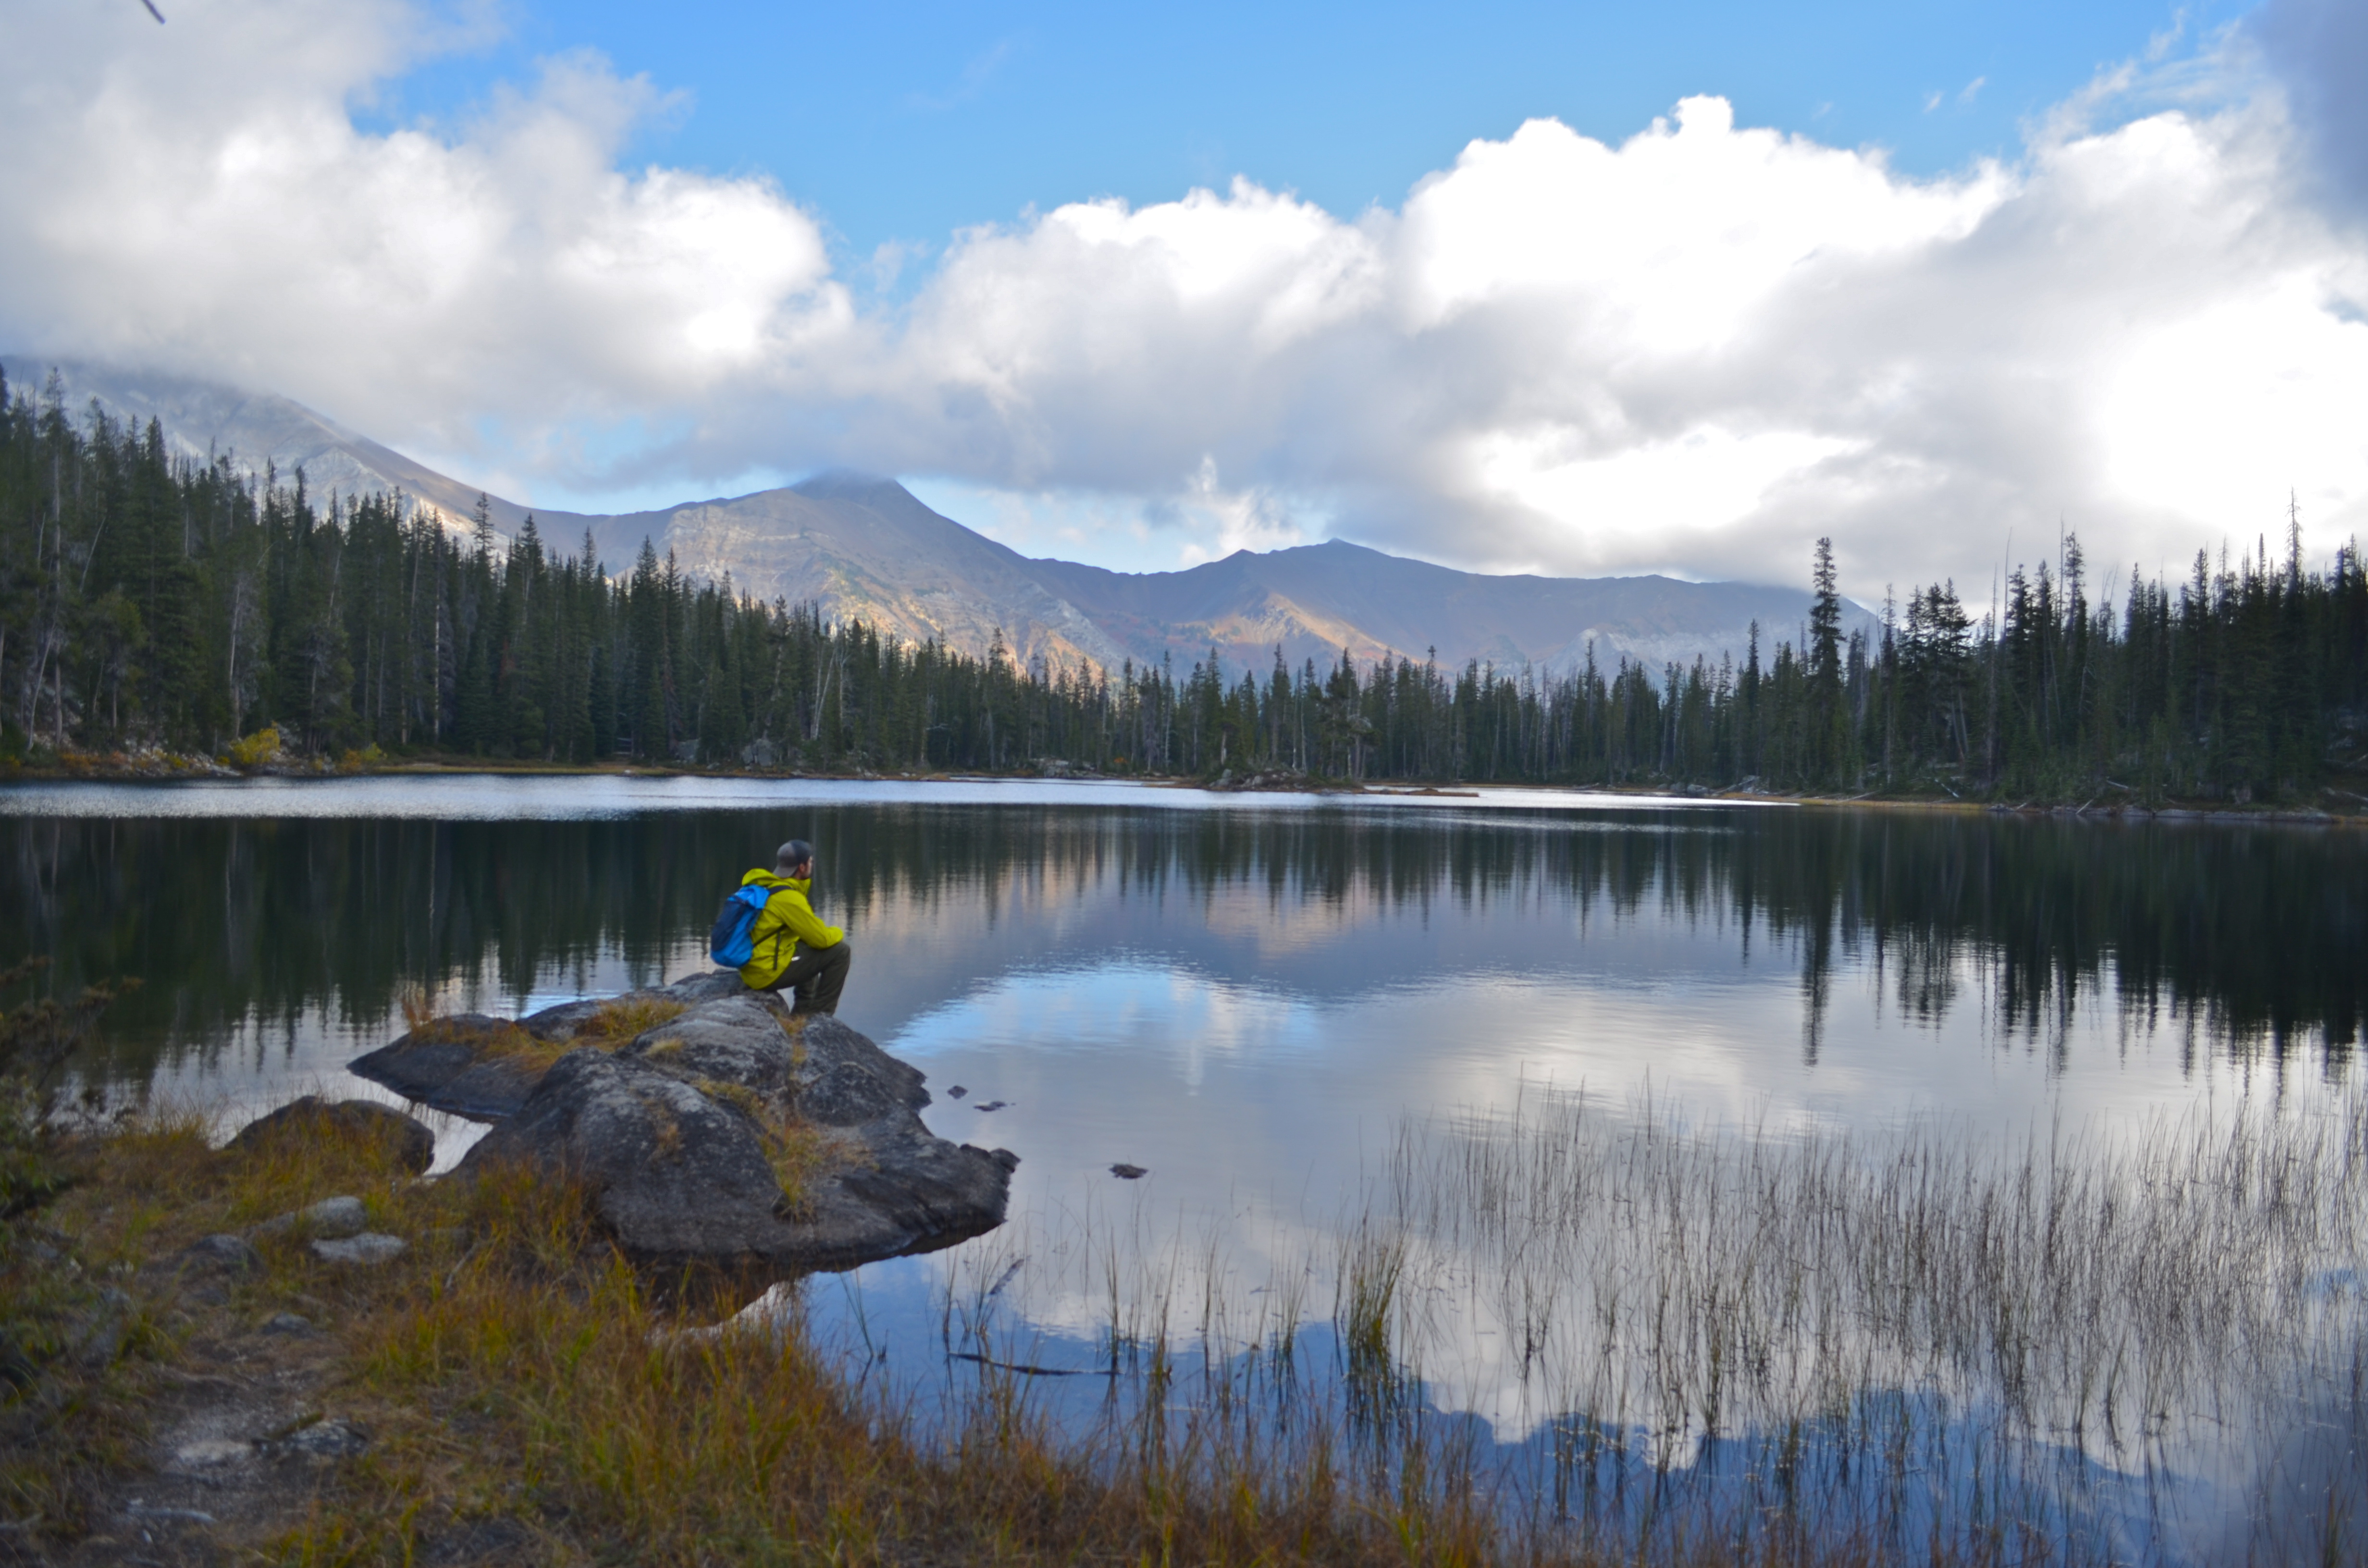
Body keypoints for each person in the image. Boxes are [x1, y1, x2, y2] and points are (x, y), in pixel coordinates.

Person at [734, 839, 852, 1015]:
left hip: (750, 967)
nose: (812, 864)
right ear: (803, 867)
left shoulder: (763, 886)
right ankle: (820, 1017)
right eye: (811, 861)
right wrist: (837, 932)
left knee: (804, 944)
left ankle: (802, 1013)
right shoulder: (788, 897)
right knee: (841, 952)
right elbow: (821, 939)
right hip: (764, 973)